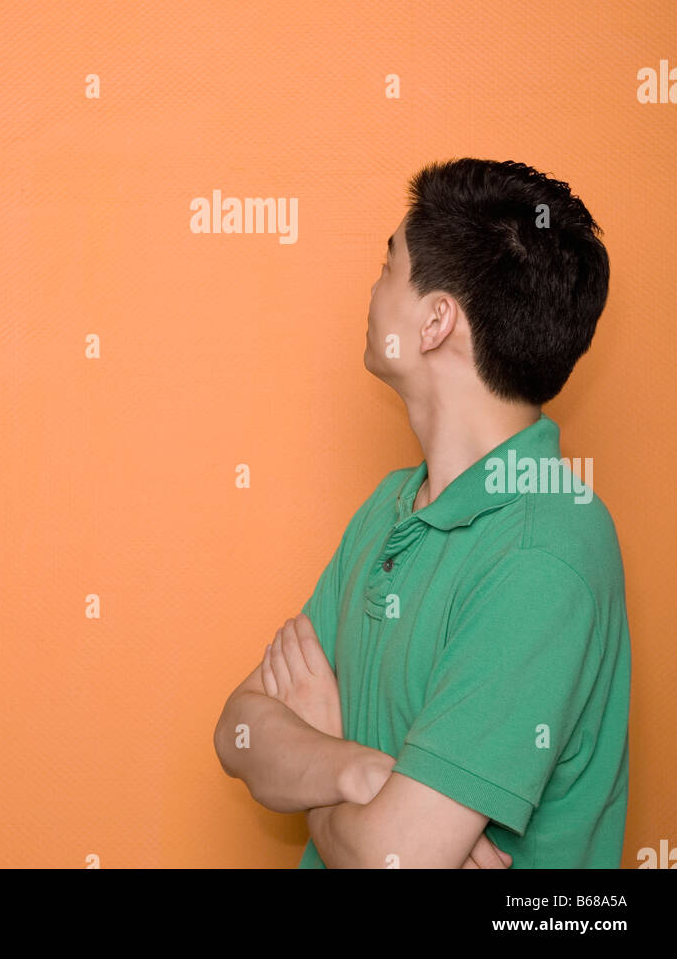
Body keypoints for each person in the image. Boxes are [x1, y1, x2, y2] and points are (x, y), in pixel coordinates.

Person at [213, 158, 630, 868]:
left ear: (435, 321)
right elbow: (238, 731)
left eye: (388, 267)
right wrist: (359, 771)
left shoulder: (541, 556)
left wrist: (315, 767)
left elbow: (389, 861)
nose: (373, 292)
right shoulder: (391, 507)